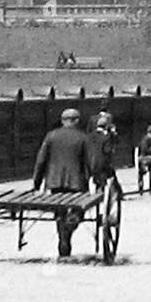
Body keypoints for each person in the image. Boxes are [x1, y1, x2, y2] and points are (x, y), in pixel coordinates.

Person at [33, 108, 95, 256]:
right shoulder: (83, 137)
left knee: (59, 213)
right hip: (77, 181)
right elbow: (91, 162)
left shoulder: (51, 136)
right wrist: (95, 178)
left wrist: (37, 182)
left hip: (54, 181)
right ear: (77, 121)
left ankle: (63, 239)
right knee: (78, 211)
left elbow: (41, 160)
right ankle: (69, 229)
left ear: (62, 120)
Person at [90, 109, 120, 193]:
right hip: (104, 162)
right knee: (110, 178)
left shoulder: (91, 136)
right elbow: (108, 150)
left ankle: (99, 194)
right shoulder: (106, 136)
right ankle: (117, 194)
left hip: (93, 161)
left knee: (98, 180)